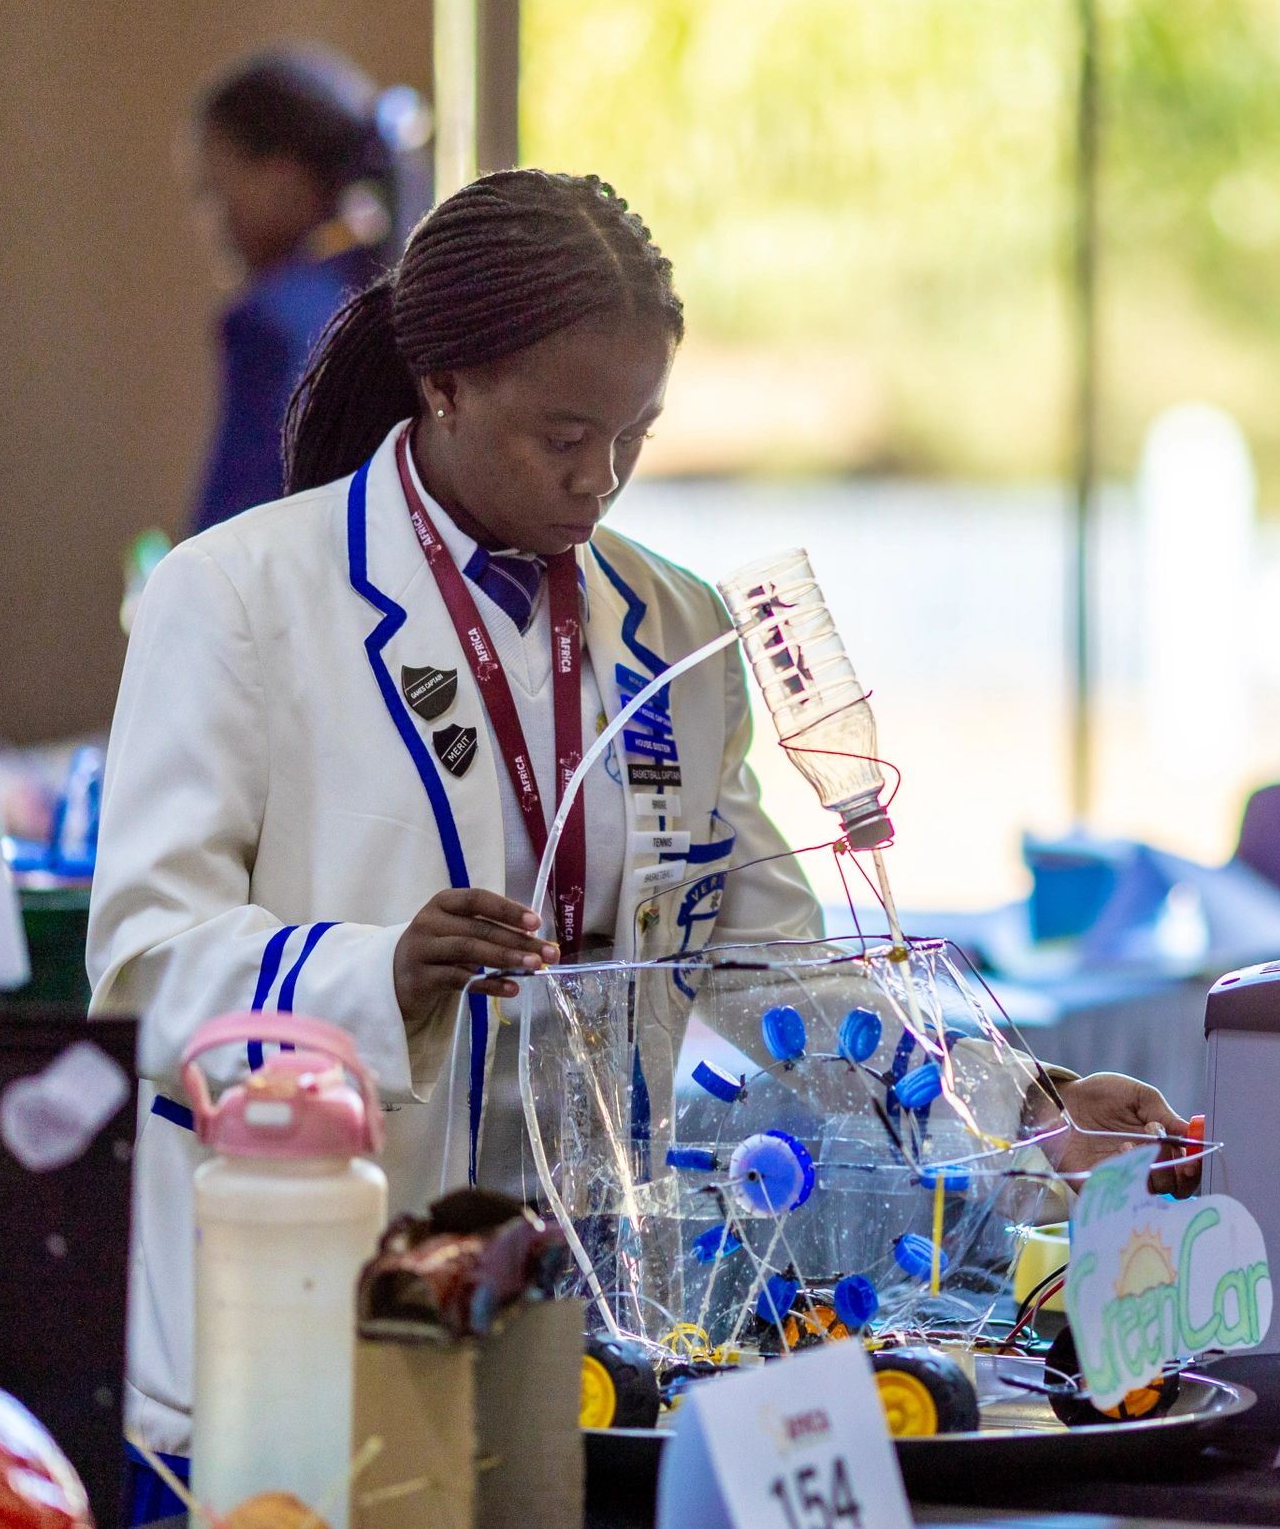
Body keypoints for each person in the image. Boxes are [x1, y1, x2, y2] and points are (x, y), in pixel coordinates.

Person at [88, 169, 1196, 1492]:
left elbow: (777, 957)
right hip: (292, 1331)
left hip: (580, 1336)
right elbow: (145, 964)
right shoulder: (238, 597)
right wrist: (371, 968)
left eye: (635, 435)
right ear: (442, 383)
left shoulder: (669, 625)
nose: (598, 476)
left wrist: (1021, 1107)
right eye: (562, 432)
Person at [184, 44, 417, 531]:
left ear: (283, 178)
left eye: (214, 189)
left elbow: (234, 524)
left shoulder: (273, 320)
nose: (209, 220)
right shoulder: (386, 292)